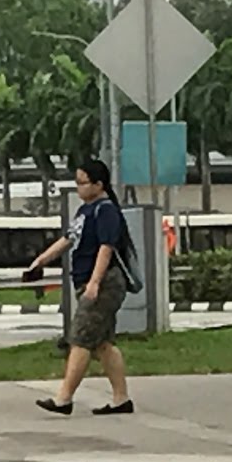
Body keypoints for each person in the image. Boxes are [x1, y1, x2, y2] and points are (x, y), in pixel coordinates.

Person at [28, 159, 135, 416]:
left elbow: (106, 248)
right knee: (103, 344)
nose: (78, 187)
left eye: (82, 182)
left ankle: (64, 399)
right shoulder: (85, 211)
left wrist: (95, 283)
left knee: (81, 339)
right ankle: (121, 400)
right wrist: (40, 261)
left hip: (103, 283)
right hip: (90, 282)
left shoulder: (106, 211)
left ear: (99, 184)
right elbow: (67, 240)